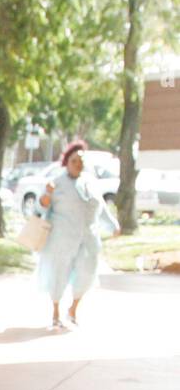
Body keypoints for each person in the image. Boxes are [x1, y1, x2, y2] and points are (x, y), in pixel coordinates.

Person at [37, 139, 119, 330]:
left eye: (81, 161)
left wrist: (112, 225)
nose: (78, 164)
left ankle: (73, 308)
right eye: (74, 161)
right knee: (59, 273)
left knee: (86, 272)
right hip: (62, 238)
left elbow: (101, 208)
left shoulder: (90, 183)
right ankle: (55, 312)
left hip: (87, 238)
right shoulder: (56, 183)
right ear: (67, 162)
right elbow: (41, 207)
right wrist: (47, 195)